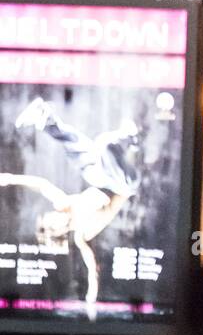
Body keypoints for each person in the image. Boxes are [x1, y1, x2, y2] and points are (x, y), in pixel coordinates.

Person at [0, 99, 143, 318]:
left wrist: (10, 178)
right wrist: (91, 296)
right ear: (57, 233)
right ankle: (131, 137)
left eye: (49, 217)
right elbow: (90, 265)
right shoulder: (82, 234)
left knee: (81, 156)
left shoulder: (64, 205)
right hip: (123, 185)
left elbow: (41, 184)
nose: (53, 215)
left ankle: (46, 118)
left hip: (103, 177)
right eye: (50, 223)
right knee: (102, 144)